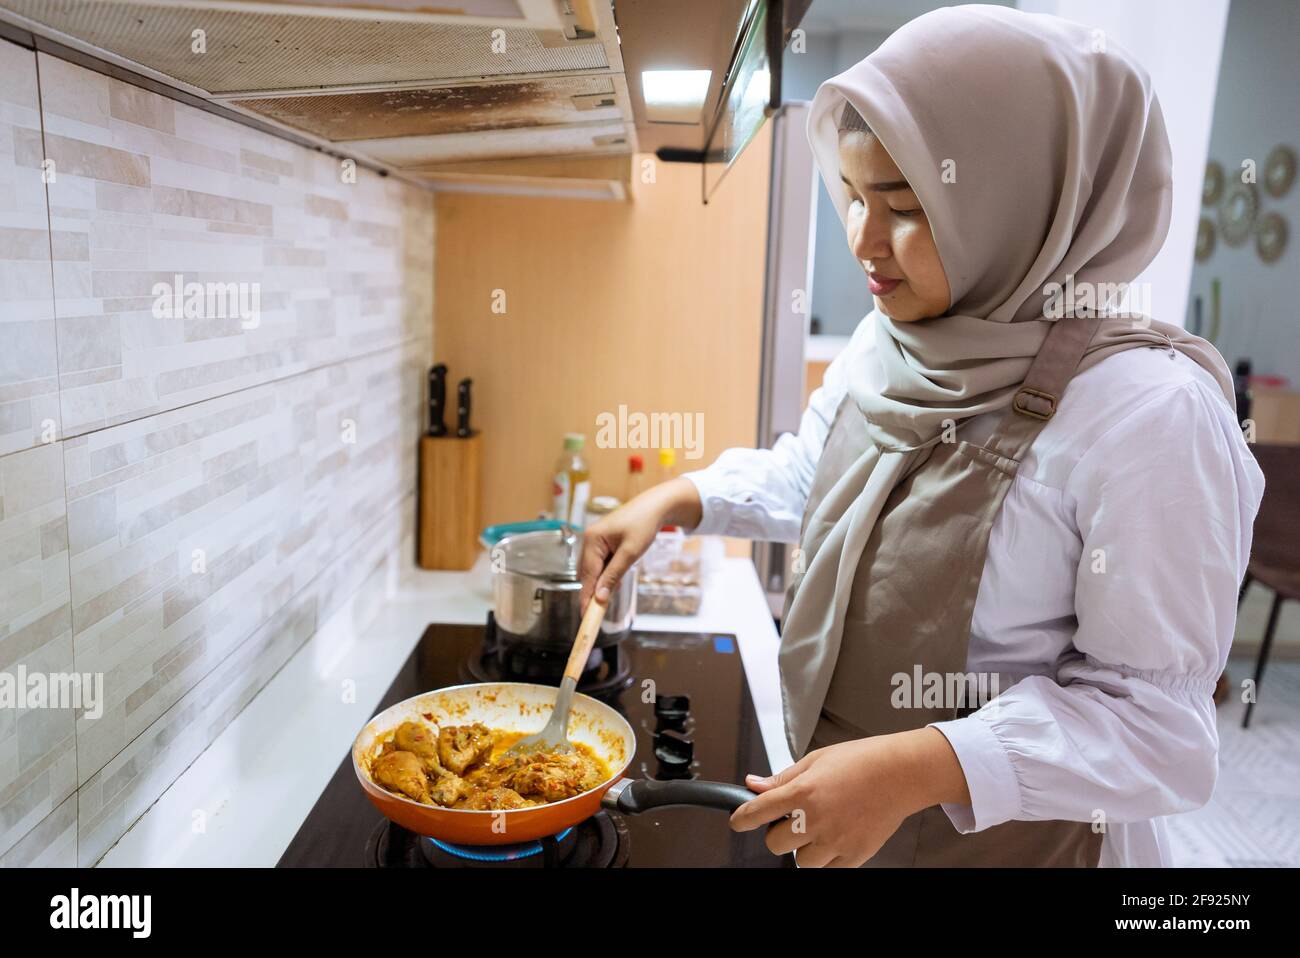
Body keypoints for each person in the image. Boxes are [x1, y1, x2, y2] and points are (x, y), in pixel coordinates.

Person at [579, 4, 1265, 867]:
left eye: (905, 207)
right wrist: (678, 500)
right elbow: (822, 477)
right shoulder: (899, 336)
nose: (864, 242)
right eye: (856, 197)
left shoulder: (1149, 416)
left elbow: (1157, 727)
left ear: (1023, 197)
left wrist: (914, 768)